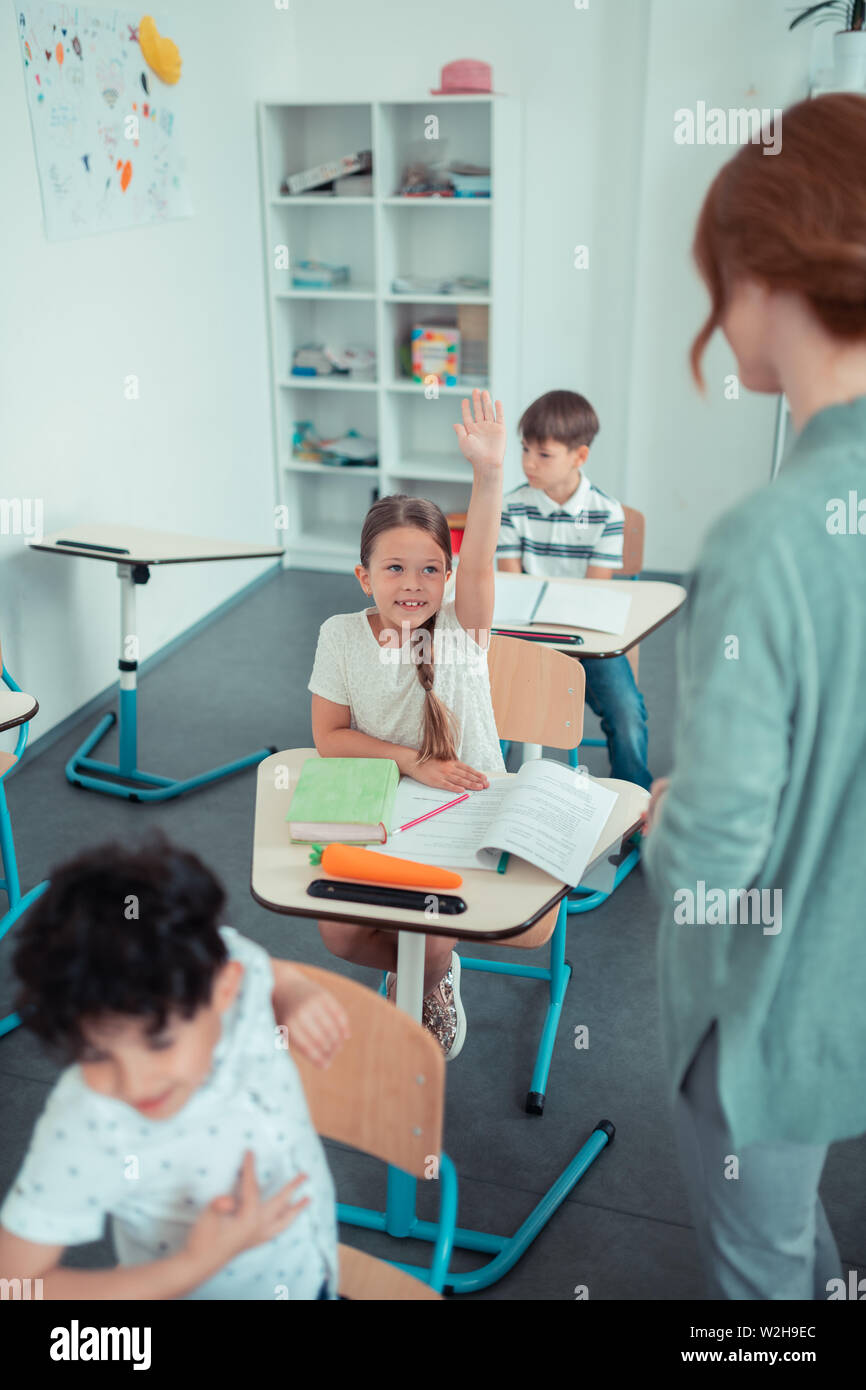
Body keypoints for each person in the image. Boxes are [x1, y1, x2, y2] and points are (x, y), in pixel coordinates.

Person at [641, 93, 866, 1299]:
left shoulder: (768, 537)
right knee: (792, 1231)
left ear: (766, 266)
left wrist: (663, 812)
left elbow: (712, 865)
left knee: (756, 1271)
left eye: (716, 275)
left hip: (769, 1008)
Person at [0, 836, 349, 1299]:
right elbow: (15, 1285)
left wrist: (294, 989)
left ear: (225, 991)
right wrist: (196, 1263)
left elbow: (258, 966)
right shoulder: (89, 1121)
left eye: (160, 1042)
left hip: (313, 1266)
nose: (134, 1081)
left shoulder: (222, 966)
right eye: (98, 1054)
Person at [309, 388, 507, 1059]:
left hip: (462, 807)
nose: (413, 584)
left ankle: (427, 980)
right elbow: (329, 738)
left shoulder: (459, 627)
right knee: (337, 934)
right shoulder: (339, 635)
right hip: (385, 801)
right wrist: (409, 759)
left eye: (430, 569)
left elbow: (479, 560)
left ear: (448, 578)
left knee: (430, 920)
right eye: (394, 568)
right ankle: (423, 970)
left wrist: (488, 476)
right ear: (364, 576)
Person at [496, 389, 651, 788]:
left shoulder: (606, 513)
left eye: (544, 454)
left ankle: (636, 807)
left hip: (587, 638)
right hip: (526, 636)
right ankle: (484, 793)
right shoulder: (511, 507)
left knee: (627, 712)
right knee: (489, 709)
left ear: (579, 457)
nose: (529, 462)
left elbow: (591, 597)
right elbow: (511, 584)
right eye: (525, 449)